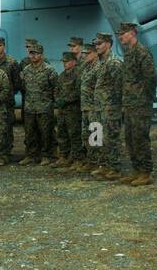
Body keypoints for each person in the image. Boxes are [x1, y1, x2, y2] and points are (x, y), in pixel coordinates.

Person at [118, 22, 156, 186]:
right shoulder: (129, 52)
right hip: (130, 103)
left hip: (140, 103)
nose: (120, 36)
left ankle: (145, 173)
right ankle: (136, 170)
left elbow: (150, 77)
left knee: (140, 138)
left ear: (133, 33)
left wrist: (145, 97)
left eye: (123, 33)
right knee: (130, 138)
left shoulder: (141, 52)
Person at [91, 33, 124, 181]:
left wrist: (115, 106)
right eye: (96, 44)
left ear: (109, 44)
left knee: (112, 139)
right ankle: (104, 166)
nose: (97, 46)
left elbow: (119, 87)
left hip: (110, 108)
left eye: (100, 43)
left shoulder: (114, 62)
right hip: (98, 108)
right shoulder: (99, 63)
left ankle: (115, 168)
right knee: (100, 139)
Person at [18, 43, 58, 165]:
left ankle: (47, 155)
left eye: (36, 53)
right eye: (31, 53)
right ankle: (31, 155)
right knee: (30, 133)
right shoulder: (26, 70)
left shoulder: (49, 70)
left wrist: (51, 103)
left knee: (46, 133)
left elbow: (55, 88)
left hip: (44, 107)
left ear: (41, 55)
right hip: (30, 107)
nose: (33, 56)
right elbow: (23, 87)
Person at [53, 48, 83, 168]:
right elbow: (56, 90)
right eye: (63, 61)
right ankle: (64, 156)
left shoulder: (78, 75)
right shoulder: (61, 76)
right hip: (62, 111)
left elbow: (78, 92)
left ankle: (77, 158)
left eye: (67, 61)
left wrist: (65, 100)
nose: (65, 63)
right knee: (62, 134)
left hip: (73, 111)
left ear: (74, 62)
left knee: (75, 135)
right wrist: (57, 100)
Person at [75, 40, 100, 173]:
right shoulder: (87, 67)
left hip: (95, 108)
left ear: (95, 53)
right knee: (86, 135)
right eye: (83, 53)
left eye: (87, 53)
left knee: (96, 137)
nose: (84, 56)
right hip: (85, 107)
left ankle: (99, 163)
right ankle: (91, 160)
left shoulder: (99, 68)